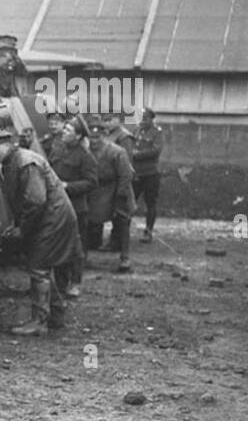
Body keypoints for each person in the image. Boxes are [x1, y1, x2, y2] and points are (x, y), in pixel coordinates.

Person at [0, 125, 81, 335]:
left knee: (39, 267)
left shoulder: (25, 162)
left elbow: (35, 200)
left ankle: (39, 321)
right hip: (50, 216)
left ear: (8, 144)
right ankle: (55, 315)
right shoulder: (13, 160)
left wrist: (21, 230)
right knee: (42, 266)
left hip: (52, 218)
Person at [46, 115, 98, 297]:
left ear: (77, 136)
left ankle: (75, 282)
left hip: (76, 208)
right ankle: (60, 283)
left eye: (68, 130)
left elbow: (92, 183)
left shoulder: (85, 156)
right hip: (58, 207)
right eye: (64, 129)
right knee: (59, 246)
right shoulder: (58, 150)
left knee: (76, 248)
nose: (63, 132)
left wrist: (68, 186)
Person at [85, 116, 136, 272]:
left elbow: (126, 174)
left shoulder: (116, 151)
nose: (94, 141)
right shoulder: (85, 151)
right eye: (91, 137)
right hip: (95, 191)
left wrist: (121, 195)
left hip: (116, 188)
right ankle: (83, 256)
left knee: (123, 221)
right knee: (85, 221)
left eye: (97, 137)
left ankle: (125, 258)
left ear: (104, 135)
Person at [129, 108, 163, 243]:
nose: (141, 121)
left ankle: (148, 231)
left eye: (144, 118)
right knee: (130, 202)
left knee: (151, 203)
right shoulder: (137, 130)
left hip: (150, 174)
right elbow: (130, 145)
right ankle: (123, 231)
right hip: (136, 173)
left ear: (151, 119)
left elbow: (156, 150)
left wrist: (137, 154)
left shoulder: (157, 132)